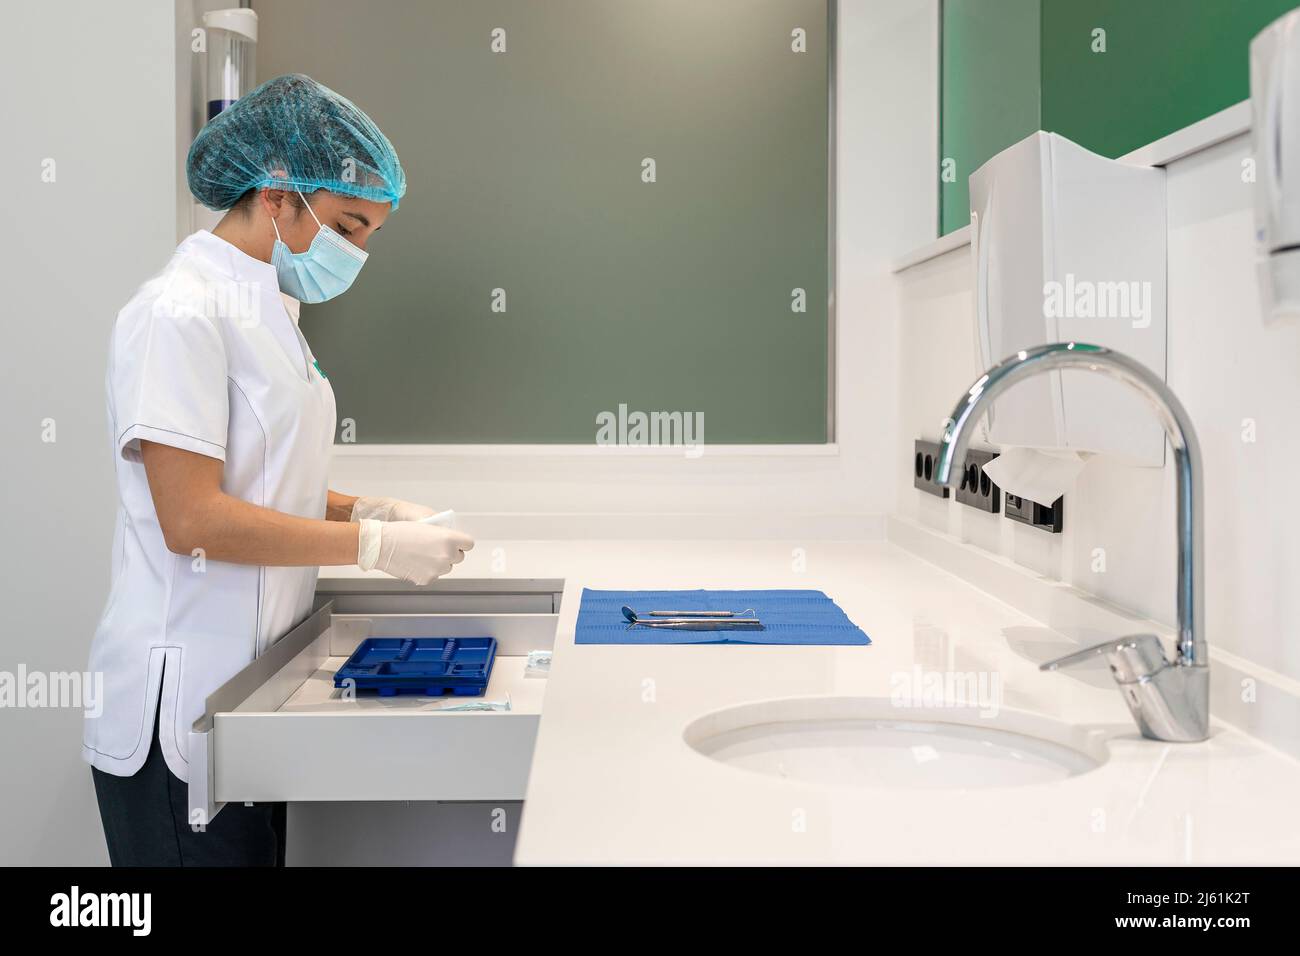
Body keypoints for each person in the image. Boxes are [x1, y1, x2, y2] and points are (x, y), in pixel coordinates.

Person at [82, 74, 472, 866]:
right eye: (347, 225)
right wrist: (367, 551)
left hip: (254, 699)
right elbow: (192, 516)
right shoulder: (177, 311)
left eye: (368, 235)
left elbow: (261, 481)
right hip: (180, 720)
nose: (356, 253)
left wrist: (363, 511)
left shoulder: (270, 311)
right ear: (279, 193)